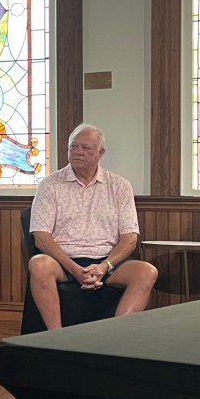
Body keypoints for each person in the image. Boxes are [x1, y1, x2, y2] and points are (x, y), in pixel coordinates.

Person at [28, 124, 158, 329]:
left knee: (147, 272)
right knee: (38, 264)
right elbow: (41, 235)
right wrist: (74, 269)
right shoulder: (50, 185)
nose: (78, 152)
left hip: (107, 262)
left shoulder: (119, 186)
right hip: (63, 261)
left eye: (86, 148)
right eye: (73, 147)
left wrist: (104, 266)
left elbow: (130, 238)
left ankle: (116, 337)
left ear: (100, 153)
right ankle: (56, 337)